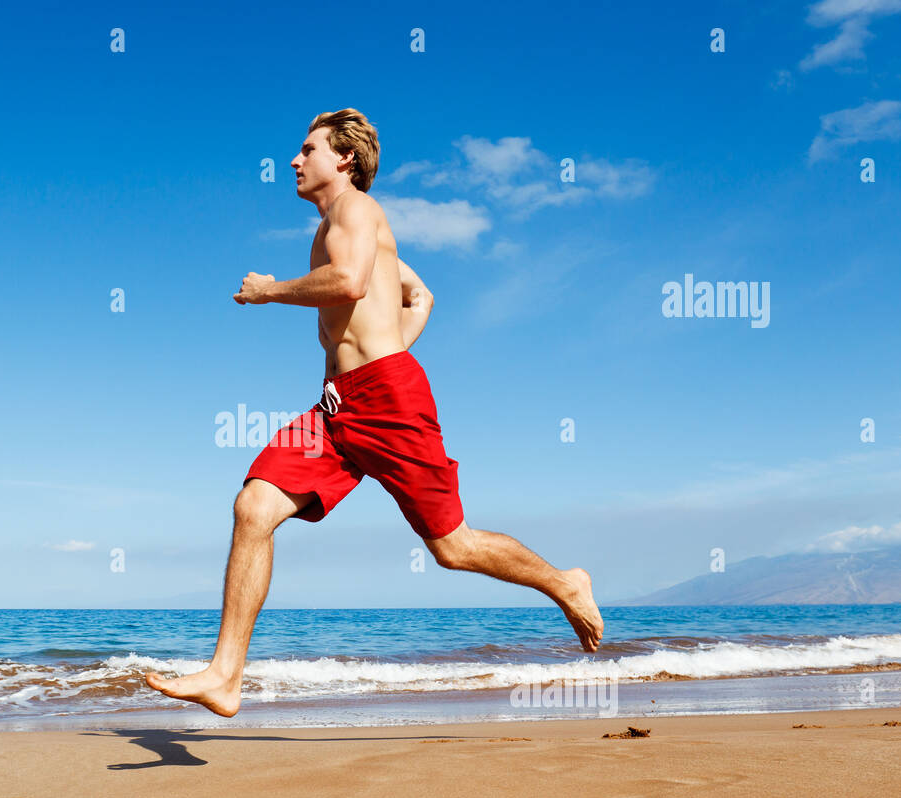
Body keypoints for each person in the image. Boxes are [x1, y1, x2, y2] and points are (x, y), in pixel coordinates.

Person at [146, 108, 603, 717]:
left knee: (452, 547)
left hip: (388, 400)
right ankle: (225, 676)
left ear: (344, 159)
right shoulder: (333, 225)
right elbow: (420, 294)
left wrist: (272, 293)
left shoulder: (356, 208)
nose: (293, 160)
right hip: (337, 408)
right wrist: (384, 345)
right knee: (254, 505)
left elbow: (352, 281)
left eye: (307, 148)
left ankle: (565, 582)